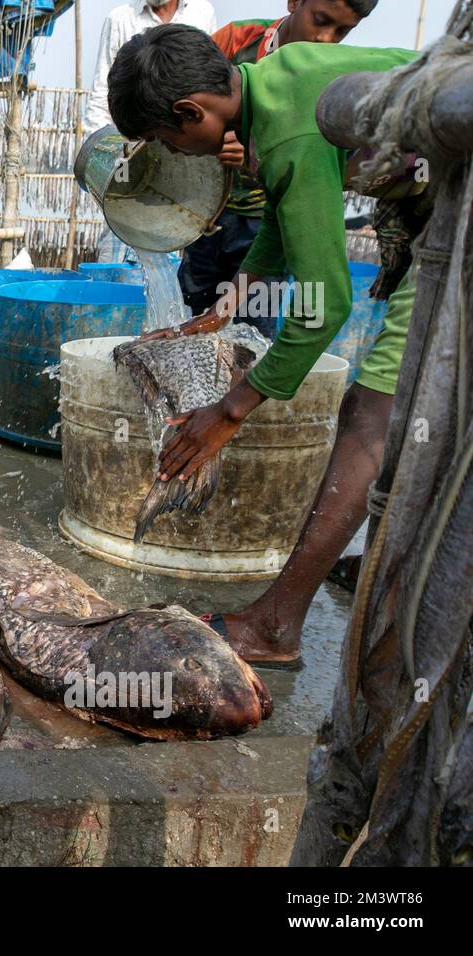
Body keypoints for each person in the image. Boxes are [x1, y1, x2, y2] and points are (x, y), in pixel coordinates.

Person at [106, 24, 419, 667]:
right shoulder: (278, 81)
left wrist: (229, 411)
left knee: (372, 413)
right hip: (437, 196)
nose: (180, 153)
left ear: (192, 112)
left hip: (457, 211)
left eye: (170, 141)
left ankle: (277, 625)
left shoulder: (291, 131)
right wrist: (229, 305)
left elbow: (325, 304)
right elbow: (285, 217)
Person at [178, 0, 378, 325]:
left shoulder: (332, 80)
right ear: (294, 2)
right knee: (192, 311)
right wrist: (215, 143)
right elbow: (183, 115)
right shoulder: (236, 41)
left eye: (342, 31)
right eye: (321, 20)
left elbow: (311, 161)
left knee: (253, 327)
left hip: (267, 219)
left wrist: (254, 153)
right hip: (209, 212)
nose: (326, 39)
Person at [85, 0, 216, 263]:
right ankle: (115, 289)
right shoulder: (121, 18)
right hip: (129, 147)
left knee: (184, 229)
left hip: (185, 152)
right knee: (119, 223)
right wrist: (103, 149)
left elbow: (211, 79)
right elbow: (102, 91)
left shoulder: (203, 13)